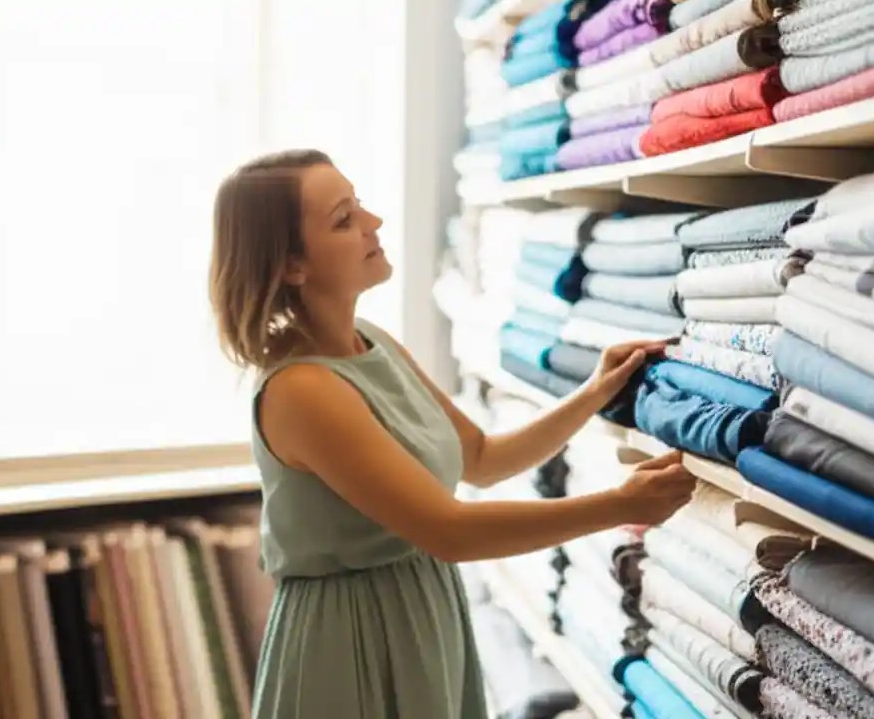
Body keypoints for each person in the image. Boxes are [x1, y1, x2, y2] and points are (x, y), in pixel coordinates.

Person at [209, 149, 697, 719]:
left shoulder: (374, 343)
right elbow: (450, 531)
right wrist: (620, 505)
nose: (374, 223)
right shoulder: (302, 390)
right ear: (291, 265)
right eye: (344, 219)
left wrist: (593, 392)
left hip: (420, 610)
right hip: (352, 637)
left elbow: (482, 458)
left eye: (360, 205)